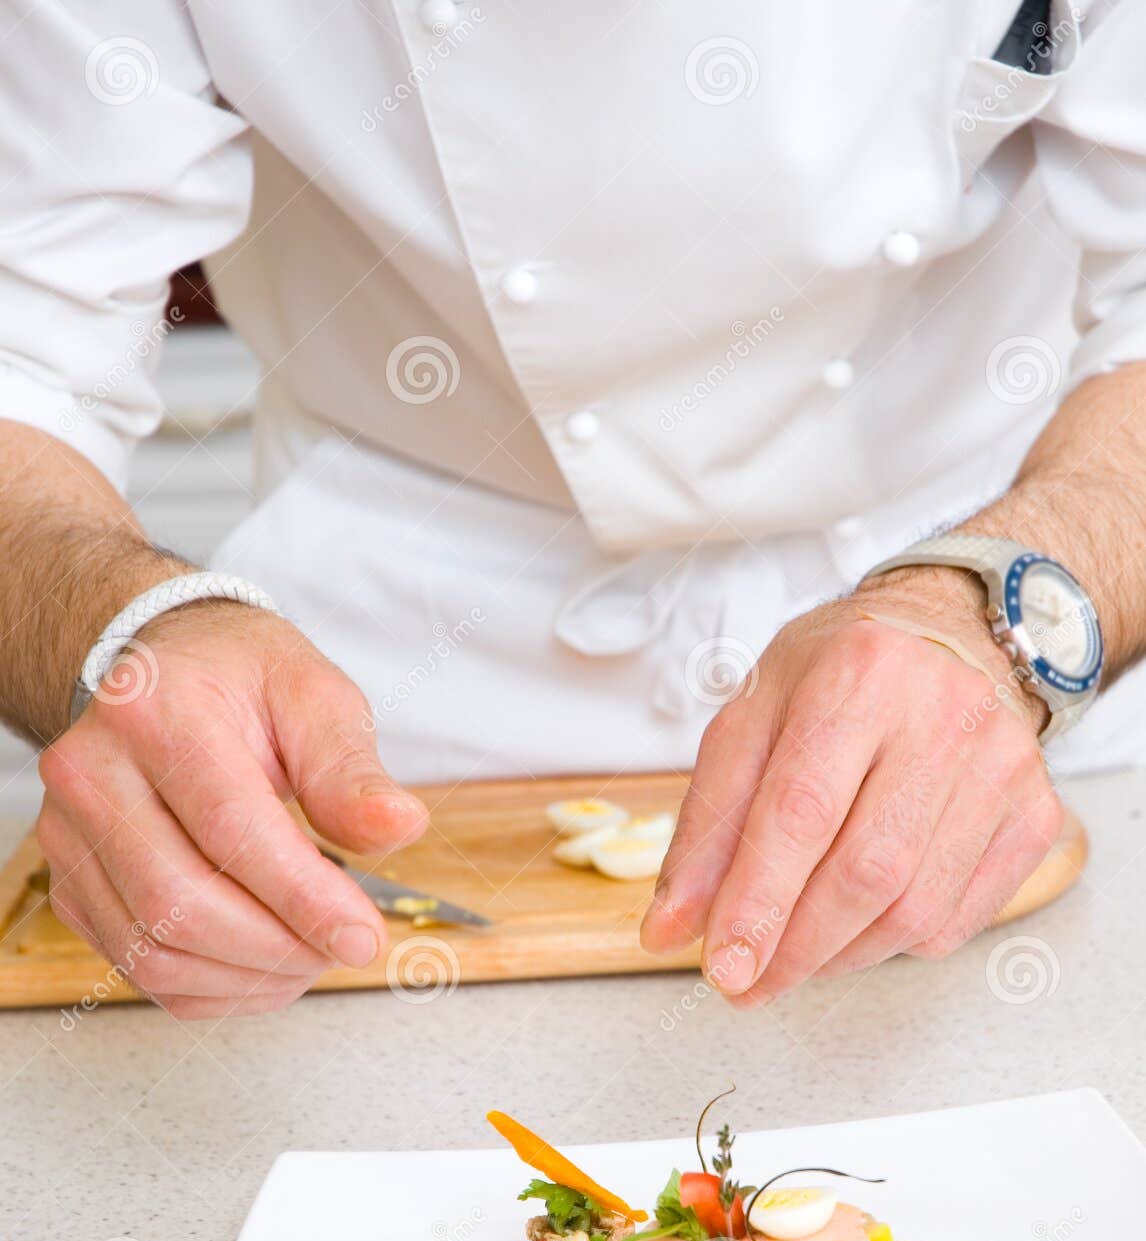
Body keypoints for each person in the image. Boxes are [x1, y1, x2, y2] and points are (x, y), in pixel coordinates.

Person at [1, 1, 1143, 1020]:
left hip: (992, 653)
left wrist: (1002, 612)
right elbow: (24, 363)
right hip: (385, 687)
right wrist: (118, 635)